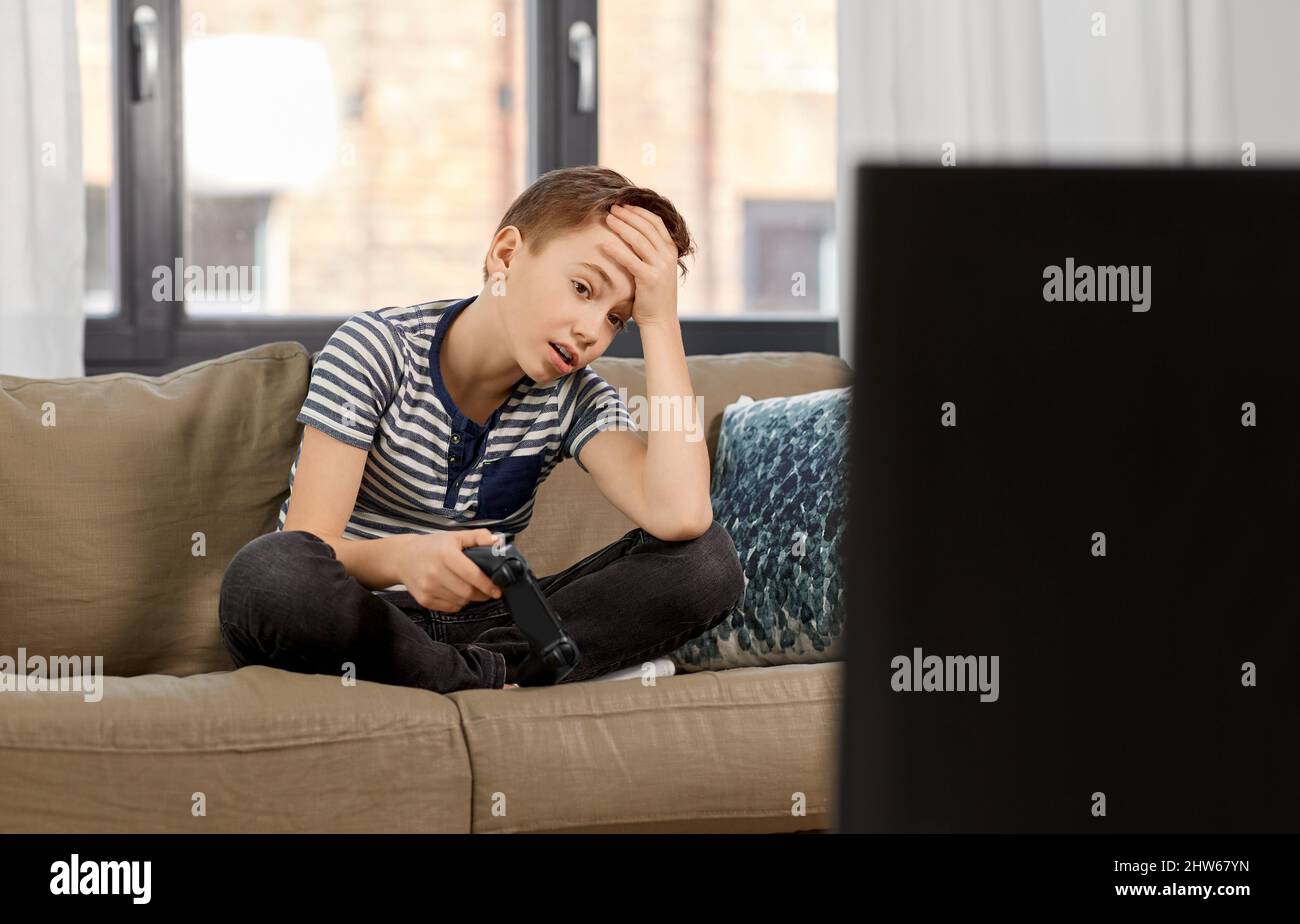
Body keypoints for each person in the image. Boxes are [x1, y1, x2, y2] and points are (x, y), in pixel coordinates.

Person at [217, 166, 746, 693]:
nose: (592, 331)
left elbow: (681, 514)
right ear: (507, 256)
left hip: (486, 627)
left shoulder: (574, 396)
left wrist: (660, 322)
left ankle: (479, 672)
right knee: (268, 575)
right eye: (583, 287)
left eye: (616, 319)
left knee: (707, 562)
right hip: (361, 617)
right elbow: (310, 543)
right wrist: (405, 557)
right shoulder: (376, 349)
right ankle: (494, 676)